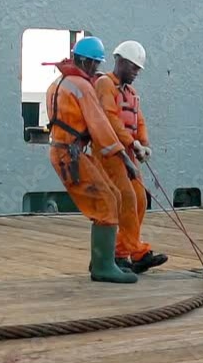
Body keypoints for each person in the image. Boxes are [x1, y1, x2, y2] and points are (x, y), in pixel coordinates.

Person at [46, 36, 141, 284]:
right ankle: (103, 267)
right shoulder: (82, 86)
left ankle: (106, 260)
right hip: (70, 156)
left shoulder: (59, 83)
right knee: (107, 202)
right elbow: (100, 127)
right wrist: (124, 157)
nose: (96, 69)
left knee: (114, 195)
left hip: (66, 152)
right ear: (87, 62)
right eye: (95, 64)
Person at [94, 41, 168, 273]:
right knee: (127, 199)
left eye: (138, 69)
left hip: (128, 153)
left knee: (140, 199)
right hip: (109, 153)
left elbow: (139, 120)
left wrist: (144, 144)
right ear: (120, 61)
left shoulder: (131, 93)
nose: (136, 72)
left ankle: (123, 252)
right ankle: (133, 253)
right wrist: (130, 142)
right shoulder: (105, 84)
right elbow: (110, 118)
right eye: (134, 67)